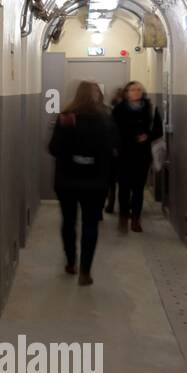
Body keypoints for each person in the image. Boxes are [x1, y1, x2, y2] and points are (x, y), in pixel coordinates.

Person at [48, 81, 116, 286]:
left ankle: (71, 262)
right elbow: (111, 151)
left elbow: (53, 149)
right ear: (96, 96)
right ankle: (85, 271)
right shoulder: (105, 120)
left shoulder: (66, 118)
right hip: (94, 181)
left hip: (67, 180)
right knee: (90, 224)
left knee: (68, 221)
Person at [111, 80, 163, 233]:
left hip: (142, 154)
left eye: (139, 89)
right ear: (126, 93)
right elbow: (113, 130)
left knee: (138, 188)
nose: (136, 92)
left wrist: (147, 136)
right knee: (124, 188)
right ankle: (123, 216)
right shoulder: (119, 109)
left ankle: (136, 219)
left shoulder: (149, 109)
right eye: (132, 89)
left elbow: (158, 130)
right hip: (124, 154)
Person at [104, 84, 125, 215]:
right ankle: (118, 205)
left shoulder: (110, 110)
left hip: (115, 149)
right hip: (118, 149)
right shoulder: (116, 111)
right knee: (115, 180)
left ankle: (111, 205)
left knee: (112, 180)